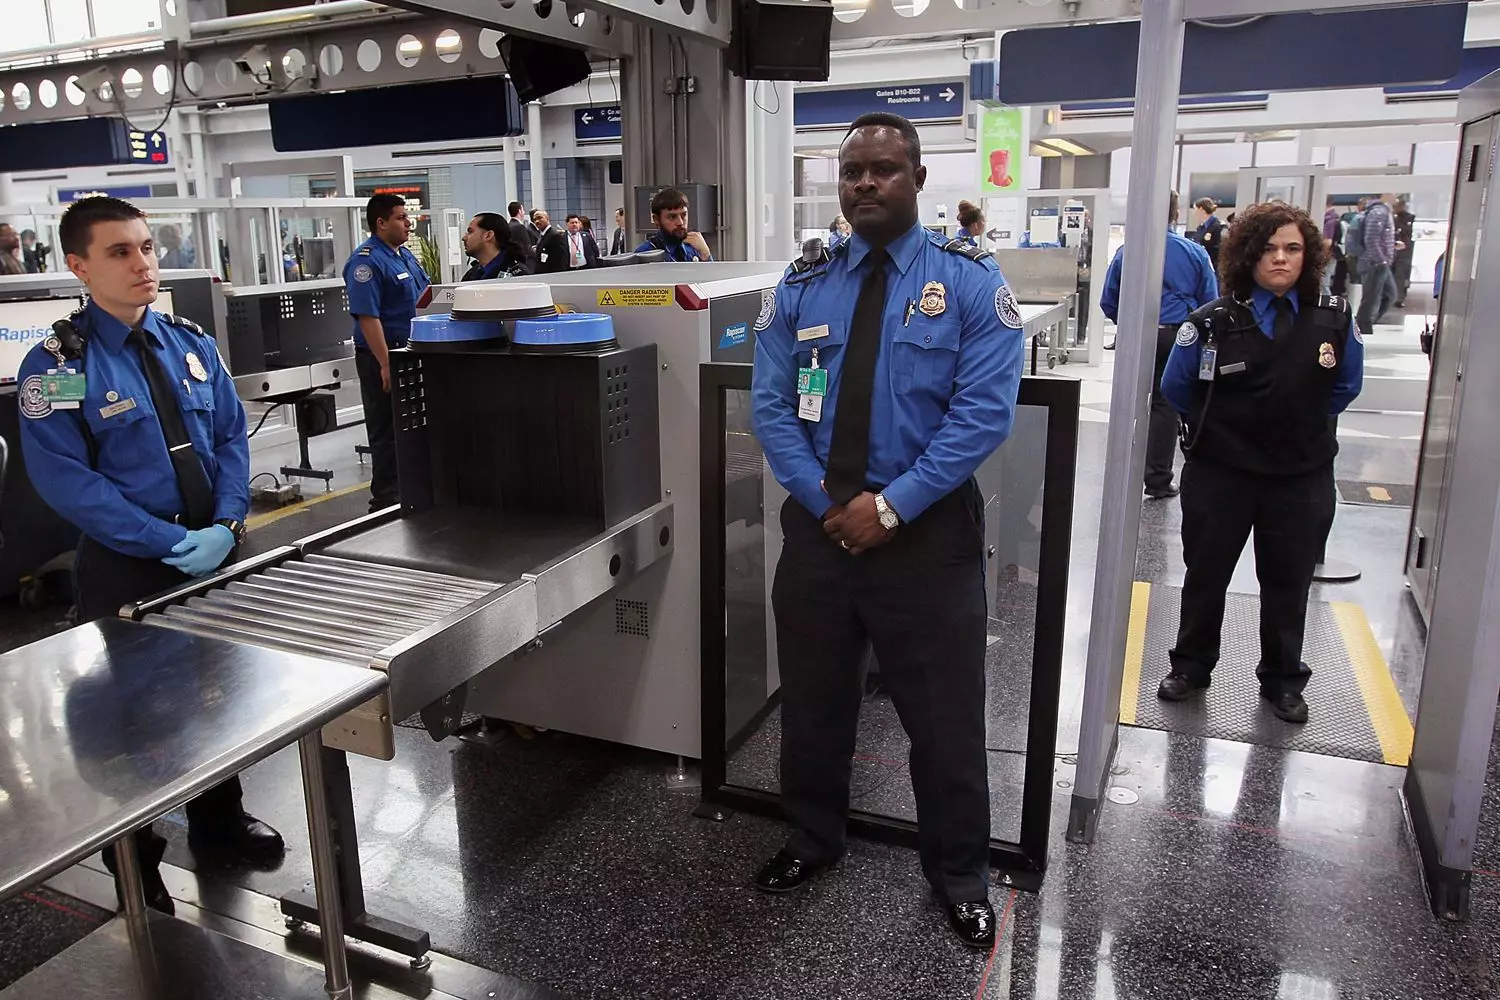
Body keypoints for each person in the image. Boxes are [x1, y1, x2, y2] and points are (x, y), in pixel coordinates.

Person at [749, 111, 1025, 950]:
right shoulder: (805, 283)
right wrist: (828, 502)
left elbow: (983, 414)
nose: (865, 184)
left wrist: (893, 505)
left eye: (883, 170)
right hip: (821, 530)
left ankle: (959, 876)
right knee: (814, 705)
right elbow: (771, 404)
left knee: (943, 720)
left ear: (916, 178)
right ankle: (811, 838)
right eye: (851, 172)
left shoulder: (969, 281)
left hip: (927, 539)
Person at [16, 195, 284, 914]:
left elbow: (229, 438)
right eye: (120, 252)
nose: (143, 264)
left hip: (214, 552)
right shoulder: (59, 366)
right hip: (129, 562)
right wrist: (168, 542)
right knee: (131, 720)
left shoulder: (190, 343)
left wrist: (227, 524)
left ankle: (218, 823)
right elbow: (65, 479)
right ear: (78, 266)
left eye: (146, 247)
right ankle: (136, 857)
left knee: (216, 698)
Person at [1157, 201, 1363, 725]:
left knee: (1288, 581)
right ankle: (1192, 666)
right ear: (1248, 256)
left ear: (1308, 256)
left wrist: (1294, 421)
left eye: (1292, 249)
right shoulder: (1211, 323)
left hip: (1299, 475)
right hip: (1221, 474)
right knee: (1205, 574)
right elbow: (1177, 388)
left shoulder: (1333, 319)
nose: (1280, 259)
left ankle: (1283, 679)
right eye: (1269, 249)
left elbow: (1345, 386)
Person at [1099, 191, 1219, 499]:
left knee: (1129, 402)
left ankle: (1119, 476)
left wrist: (1127, 324)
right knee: (1165, 405)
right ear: (1175, 214)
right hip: (1178, 336)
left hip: (1137, 334)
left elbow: (1108, 300)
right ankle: (1158, 478)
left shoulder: (1128, 252)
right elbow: (1210, 304)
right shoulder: (1194, 252)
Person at [343, 194, 430, 512]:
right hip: (382, 355)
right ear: (380, 223)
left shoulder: (403, 255)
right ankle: (385, 499)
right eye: (399, 217)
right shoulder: (366, 262)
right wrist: (385, 363)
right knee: (386, 428)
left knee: (411, 425)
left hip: (411, 351)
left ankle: (411, 488)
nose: (408, 223)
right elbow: (368, 316)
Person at [1355, 193, 1399, 339]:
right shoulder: (1378, 212)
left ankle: (1365, 325)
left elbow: (1376, 238)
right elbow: (1371, 239)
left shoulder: (1381, 211)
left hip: (1378, 261)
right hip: (1374, 262)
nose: (1396, 197)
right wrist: (1381, 259)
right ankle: (1362, 328)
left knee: (1387, 295)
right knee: (1371, 297)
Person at [636, 188, 713, 261]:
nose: (680, 222)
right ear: (656, 219)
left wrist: (706, 254)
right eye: (672, 217)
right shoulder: (644, 254)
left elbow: (711, 274)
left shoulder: (694, 248)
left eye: (684, 215)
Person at [461, 212, 529, 280]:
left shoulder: (517, 276)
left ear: (488, 235)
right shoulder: (471, 274)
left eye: (470, 231)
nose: (464, 238)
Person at [1392, 197, 1416, 308]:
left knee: (1400, 275)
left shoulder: (1410, 218)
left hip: (1404, 251)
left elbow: (1407, 231)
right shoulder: (1391, 218)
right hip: (1392, 250)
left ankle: (1399, 298)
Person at [1191, 197, 1225, 271]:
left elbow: (1221, 251)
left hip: (1214, 269)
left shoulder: (1219, 227)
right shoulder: (1201, 228)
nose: (1194, 213)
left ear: (1201, 209)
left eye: (1195, 209)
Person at [532, 209, 570, 274]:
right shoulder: (542, 236)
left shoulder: (554, 236)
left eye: (540, 218)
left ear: (547, 219)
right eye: (534, 220)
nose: (537, 221)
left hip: (551, 275)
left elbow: (561, 260)